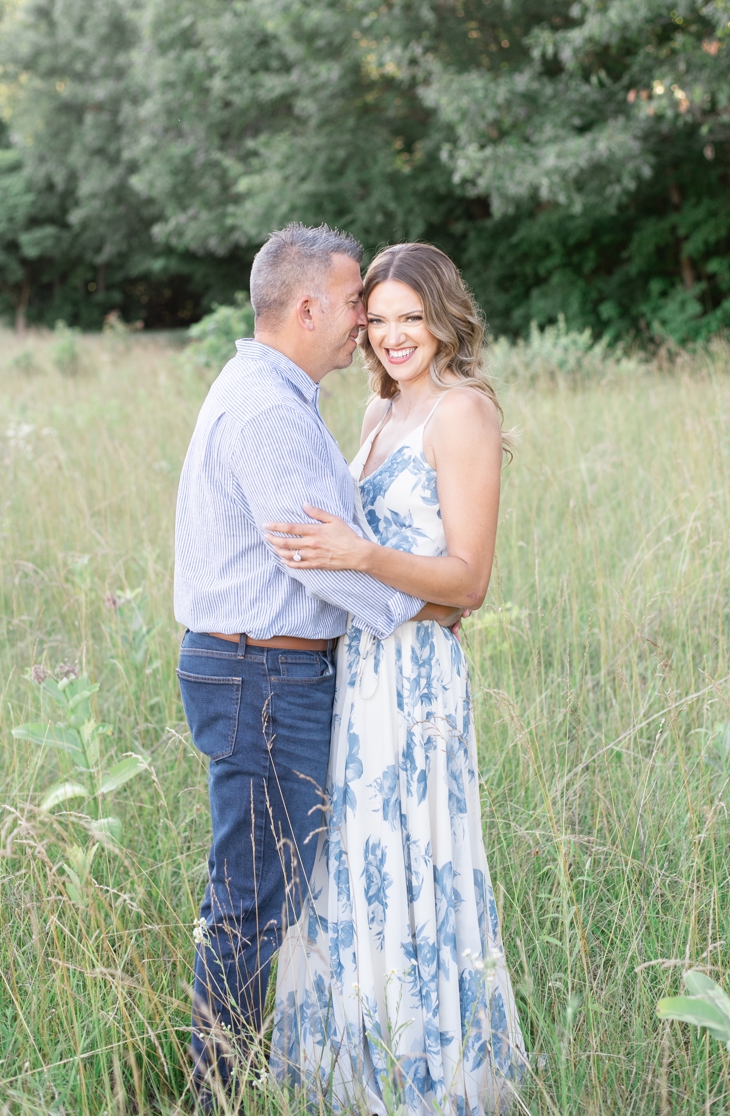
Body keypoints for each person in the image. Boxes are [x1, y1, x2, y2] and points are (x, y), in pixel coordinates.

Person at [173, 223, 463, 1100]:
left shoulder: (284, 395)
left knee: (273, 893)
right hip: (261, 674)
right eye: (352, 306)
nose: (363, 325)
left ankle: (255, 1073)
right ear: (307, 307)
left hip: (272, 673)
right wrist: (430, 607)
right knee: (253, 903)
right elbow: (316, 553)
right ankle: (214, 1090)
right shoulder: (266, 407)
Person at [261, 241, 525, 1112]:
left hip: (415, 680)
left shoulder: (463, 414)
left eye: (411, 318)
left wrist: (364, 556)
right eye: (377, 321)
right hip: (357, 671)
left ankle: (429, 1076)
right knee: (356, 861)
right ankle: (355, 1069)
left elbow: (469, 580)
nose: (394, 336)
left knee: (418, 861)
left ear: (444, 316)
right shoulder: (375, 418)